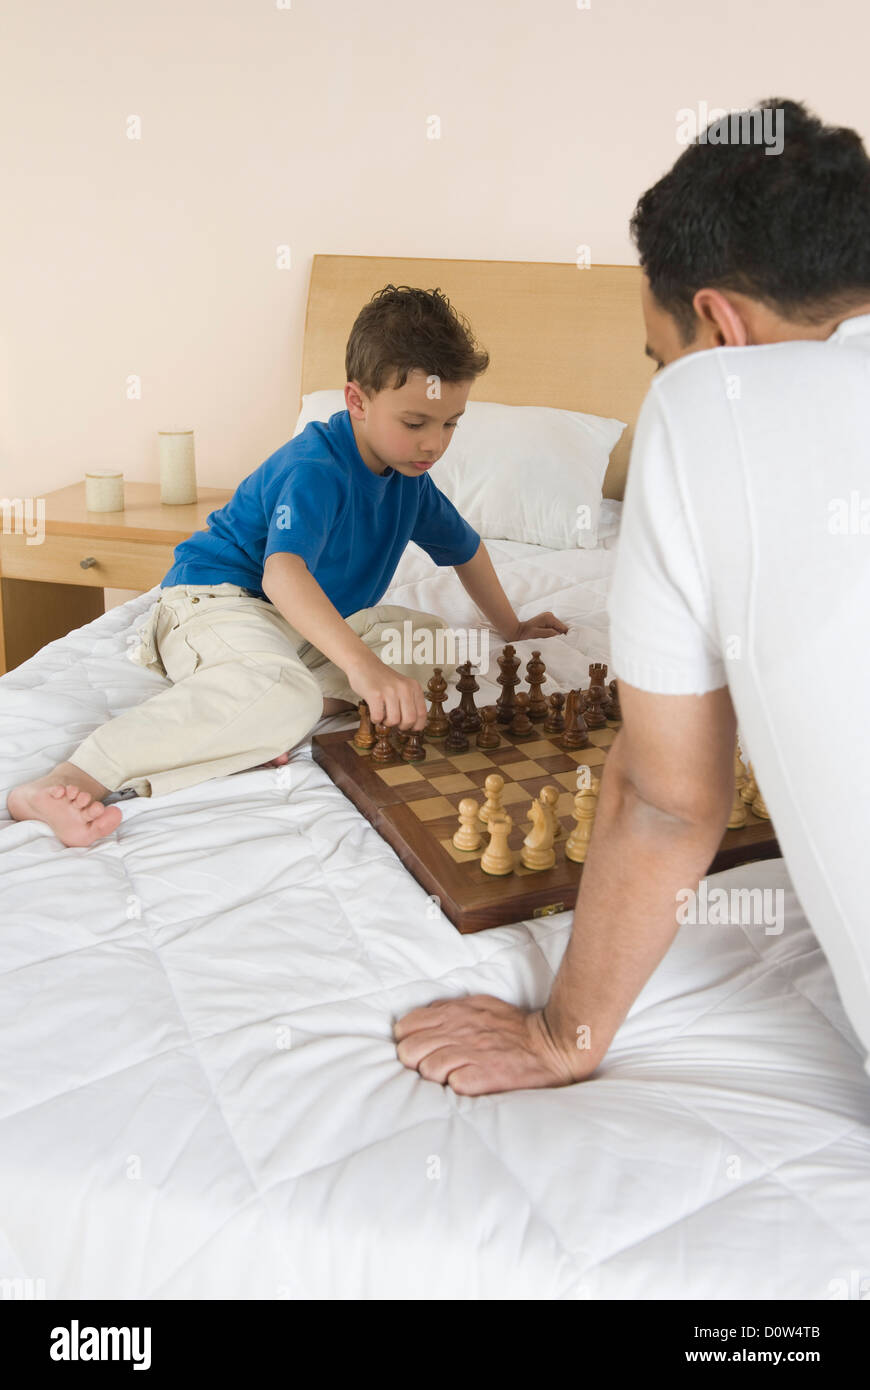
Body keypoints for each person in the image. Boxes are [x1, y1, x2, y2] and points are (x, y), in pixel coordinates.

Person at [395, 97, 870, 1093]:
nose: (666, 383)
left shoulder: (712, 403)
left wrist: (561, 1035)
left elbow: (666, 795)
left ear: (717, 322)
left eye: (661, 360)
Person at [7, 286, 567, 845]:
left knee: (433, 643)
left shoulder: (410, 479)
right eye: (416, 422)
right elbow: (282, 574)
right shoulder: (315, 466)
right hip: (218, 603)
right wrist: (365, 670)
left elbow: (466, 549)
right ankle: (64, 781)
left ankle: (270, 711)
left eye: (450, 424)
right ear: (357, 400)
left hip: (303, 627)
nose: (434, 443)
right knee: (299, 687)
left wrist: (511, 627)